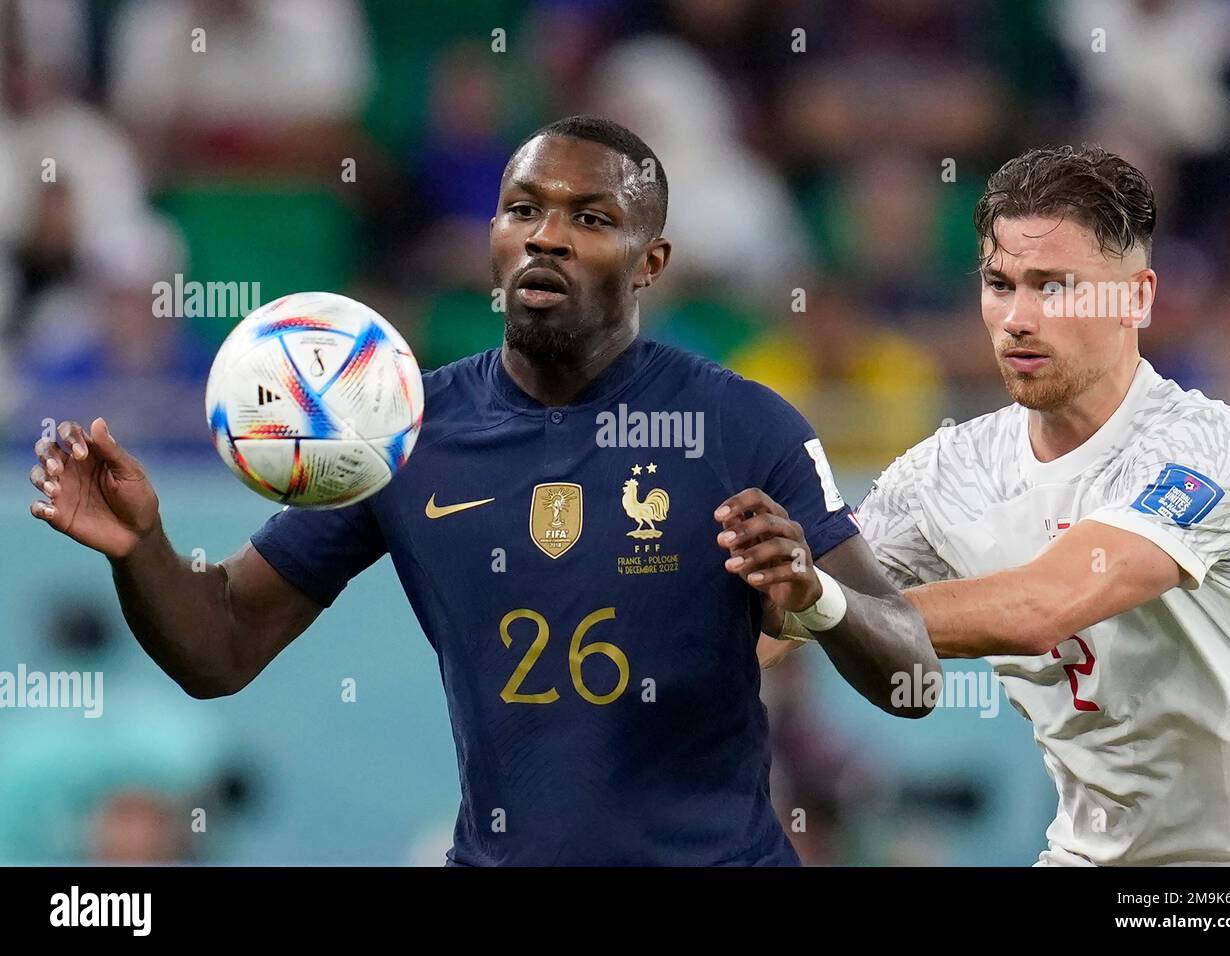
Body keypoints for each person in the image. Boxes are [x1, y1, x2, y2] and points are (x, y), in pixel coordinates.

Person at [28, 115, 939, 866]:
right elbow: (219, 648)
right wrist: (140, 550)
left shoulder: (747, 428)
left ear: (650, 263)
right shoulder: (402, 429)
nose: (547, 233)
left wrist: (816, 600)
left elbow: (914, 677)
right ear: (495, 240)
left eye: (591, 217)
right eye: (523, 209)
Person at [851, 144, 1230, 865]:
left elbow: (1042, 609)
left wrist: (825, 603)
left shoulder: (1211, 449)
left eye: (1056, 287)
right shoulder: (942, 472)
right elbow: (784, 613)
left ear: (1138, 297)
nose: (1018, 318)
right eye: (1001, 284)